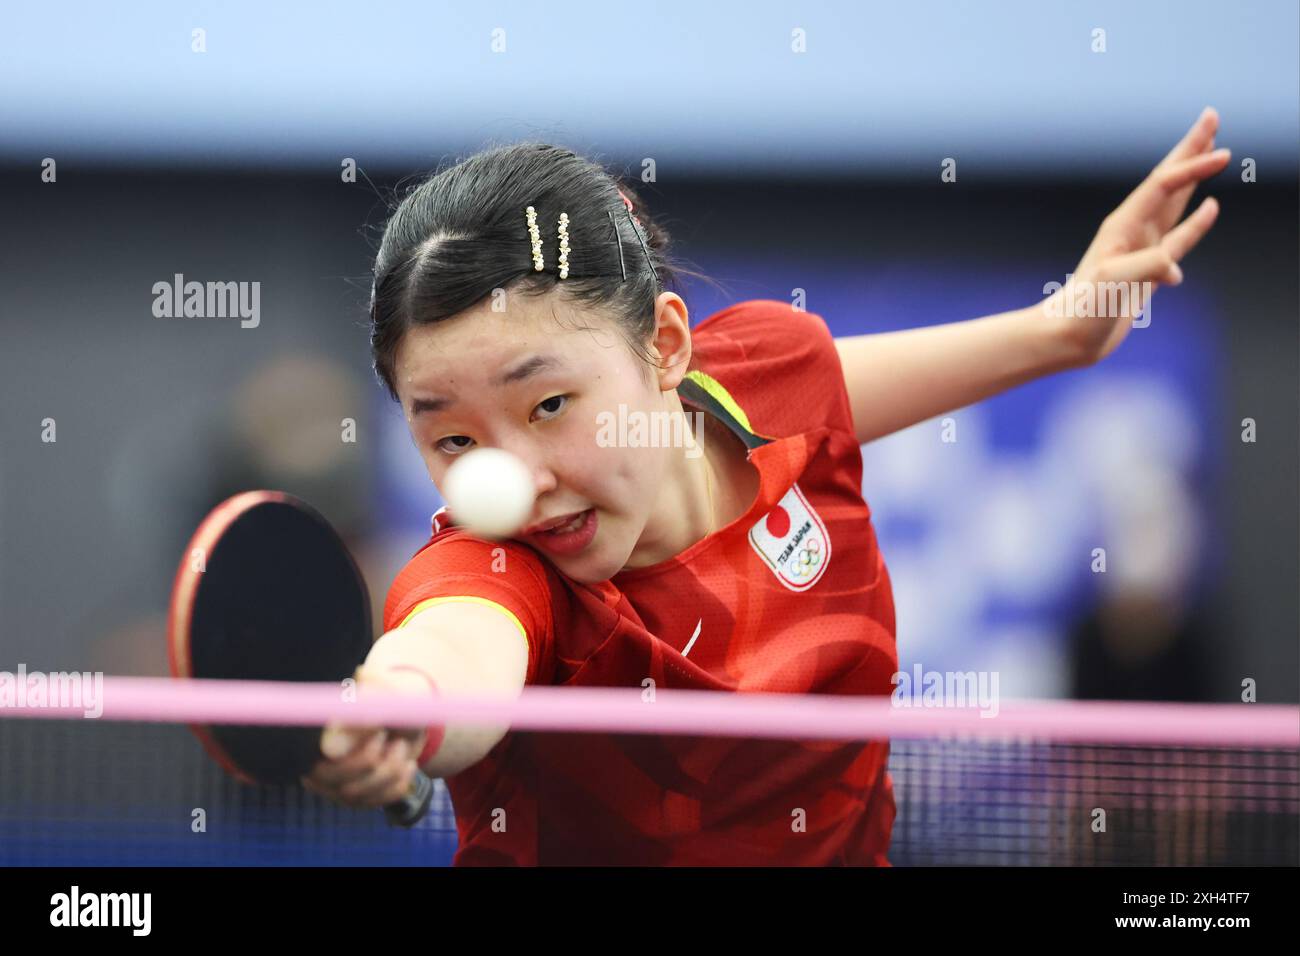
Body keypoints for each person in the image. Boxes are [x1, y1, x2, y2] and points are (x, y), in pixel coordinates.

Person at [302, 110, 1229, 864]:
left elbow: (1021, 346)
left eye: (548, 404)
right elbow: (455, 658)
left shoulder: (772, 378)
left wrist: (1073, 324)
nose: (517, 482)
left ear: (665, 348)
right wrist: (403, 710)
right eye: (453, 436)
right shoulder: (494, 575)